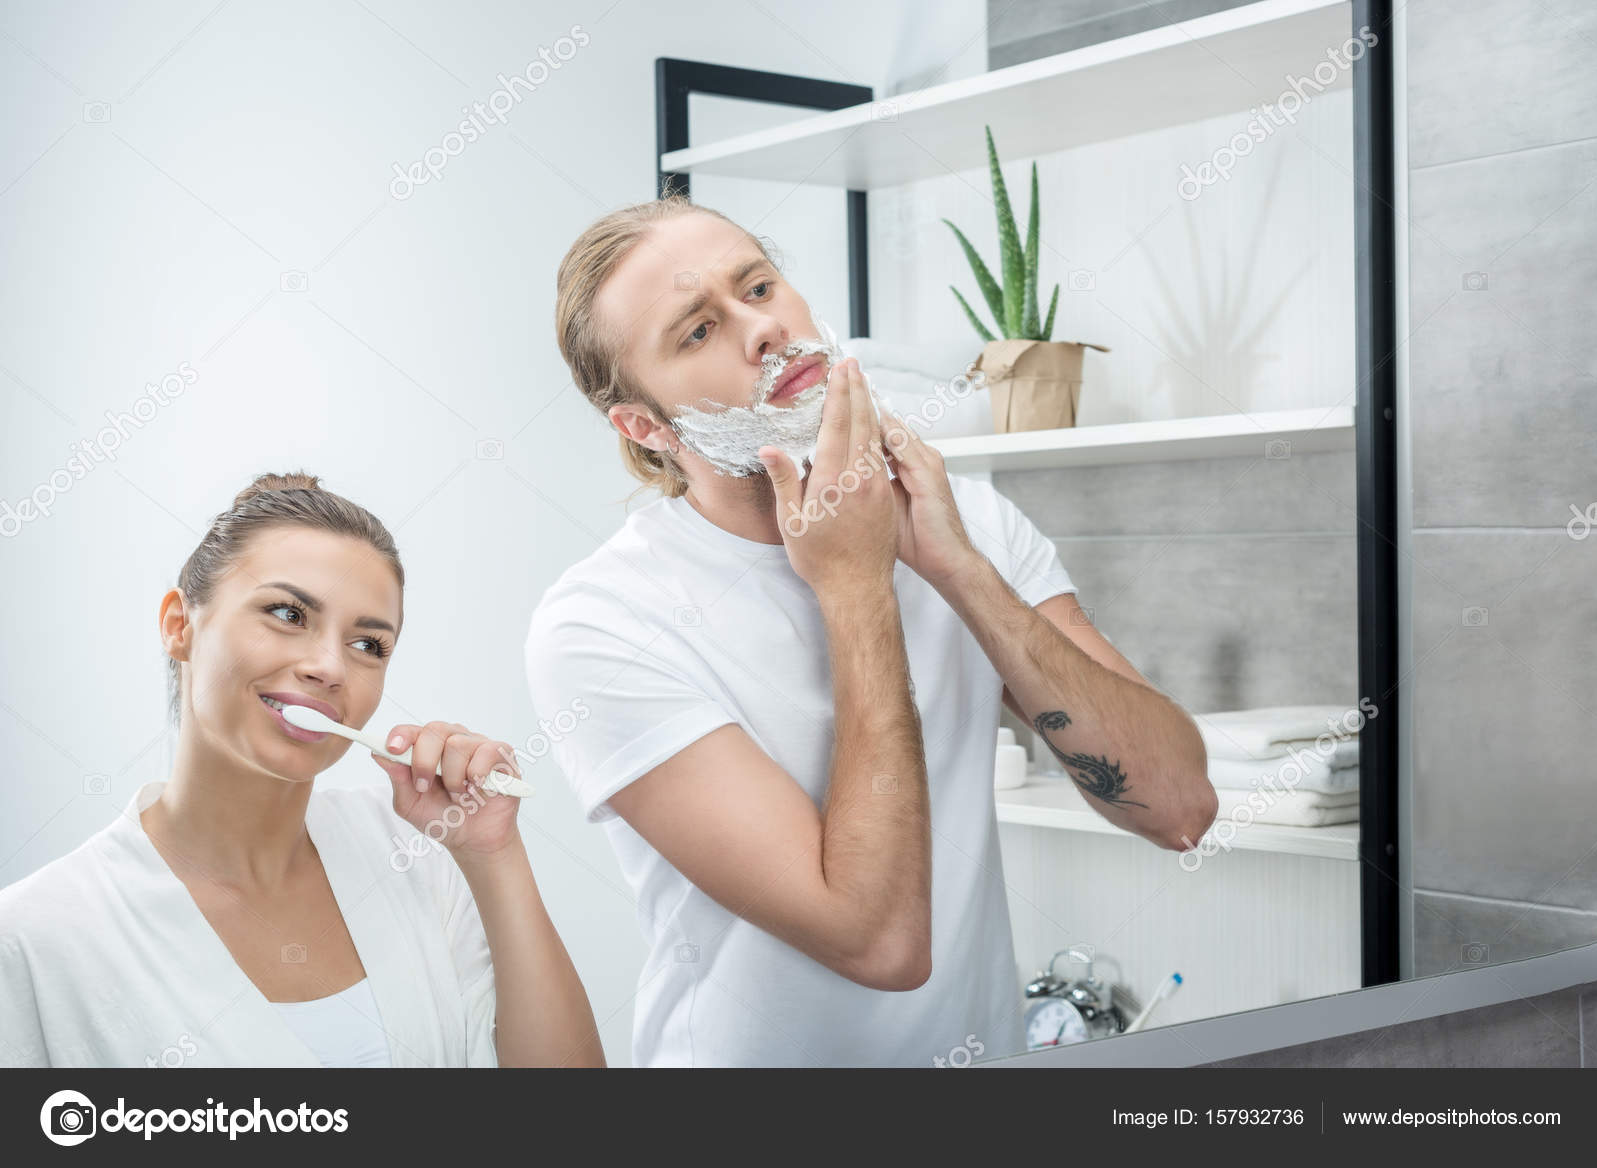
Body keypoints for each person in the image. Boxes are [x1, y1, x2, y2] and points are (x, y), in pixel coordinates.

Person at [525, 195, 1217, 1067]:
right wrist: (854, 587)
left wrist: (959, 570)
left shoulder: (963, 520)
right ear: (645, 427)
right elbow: (880, 944)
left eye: (760, 287)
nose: (763, 330)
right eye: (697, 331)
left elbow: (1182, 809)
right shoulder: (605, 624)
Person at [0, 472, 604, 1068]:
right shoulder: (37, 935)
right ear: (179, 626)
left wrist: (492, 853)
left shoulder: (420, 860)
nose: (329, 667)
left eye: (368, 644)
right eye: (288, 614)